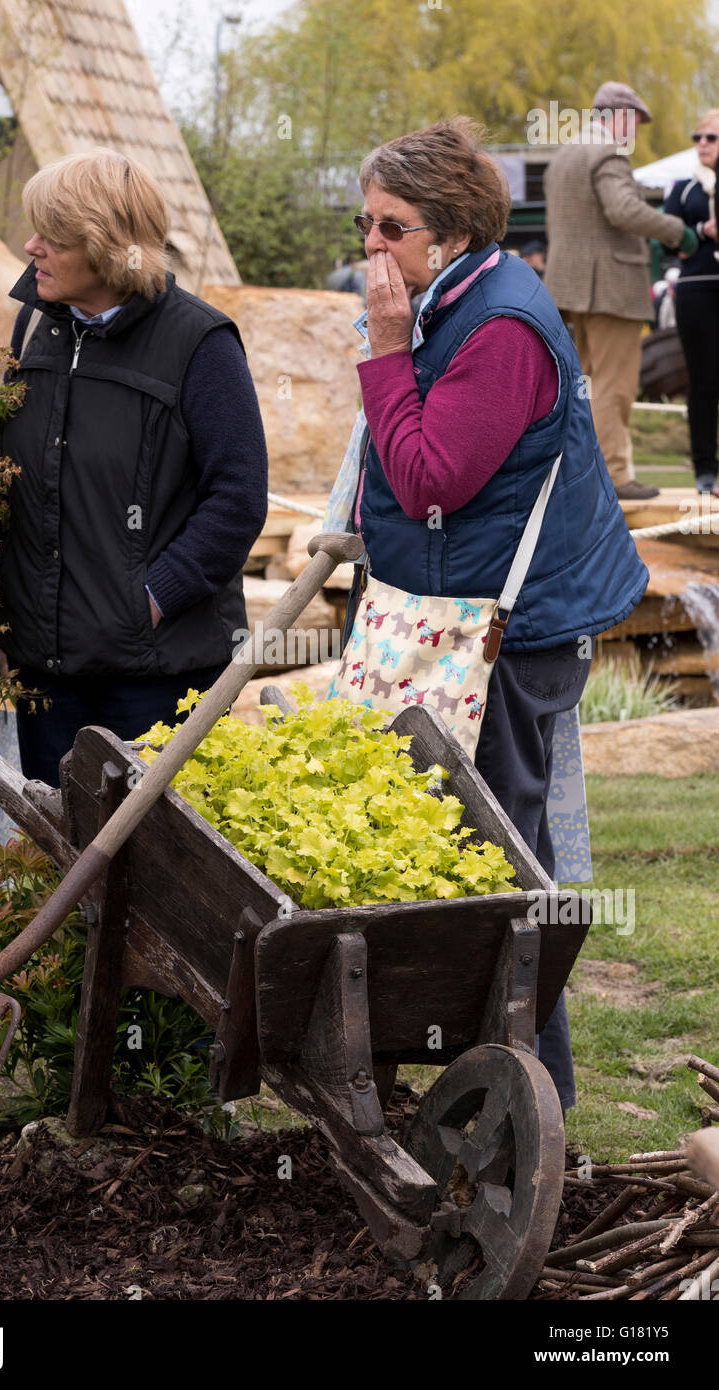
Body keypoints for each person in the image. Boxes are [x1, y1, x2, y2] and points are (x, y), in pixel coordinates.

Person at [340, 116, 649, 1117]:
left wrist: (386, 350)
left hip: (511, 637)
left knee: (507, 871)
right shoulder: (448, 298)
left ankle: (534, 1106)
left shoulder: (502, 327)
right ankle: (475, 1088)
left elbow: (432, 475)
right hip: (455, 620)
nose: (372, 247)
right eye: (366, 224)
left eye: (391, 226)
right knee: (456, 854)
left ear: (452, 228)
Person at [0, 148, 268, 786]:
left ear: (105, 246)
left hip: (154, 675)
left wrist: (150, 602)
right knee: (63, 849)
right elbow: (4, 470)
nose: (31, 247)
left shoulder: (200, 343)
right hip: (46, 671)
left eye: (51, 236)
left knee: (156, 868)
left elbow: (238, 498)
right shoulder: (35, 327)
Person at [543, 81, 698, 501]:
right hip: (610, 288)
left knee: (585, 385)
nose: (636, 132)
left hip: (571, 289)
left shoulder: (564, 156)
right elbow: (623, 209)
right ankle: (614, 475)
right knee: (616, 385)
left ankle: (586, 474)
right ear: (621, 116)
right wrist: (677, 232)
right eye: (637, 122)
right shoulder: (609, 152)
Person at [661, 110, 719, 495]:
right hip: (697, 291)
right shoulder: (682, 187)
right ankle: (705, 470)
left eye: (711, 137)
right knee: (703, 382)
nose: (701, 144)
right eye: (697, 136)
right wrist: (700, 231)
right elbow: (667, 237)